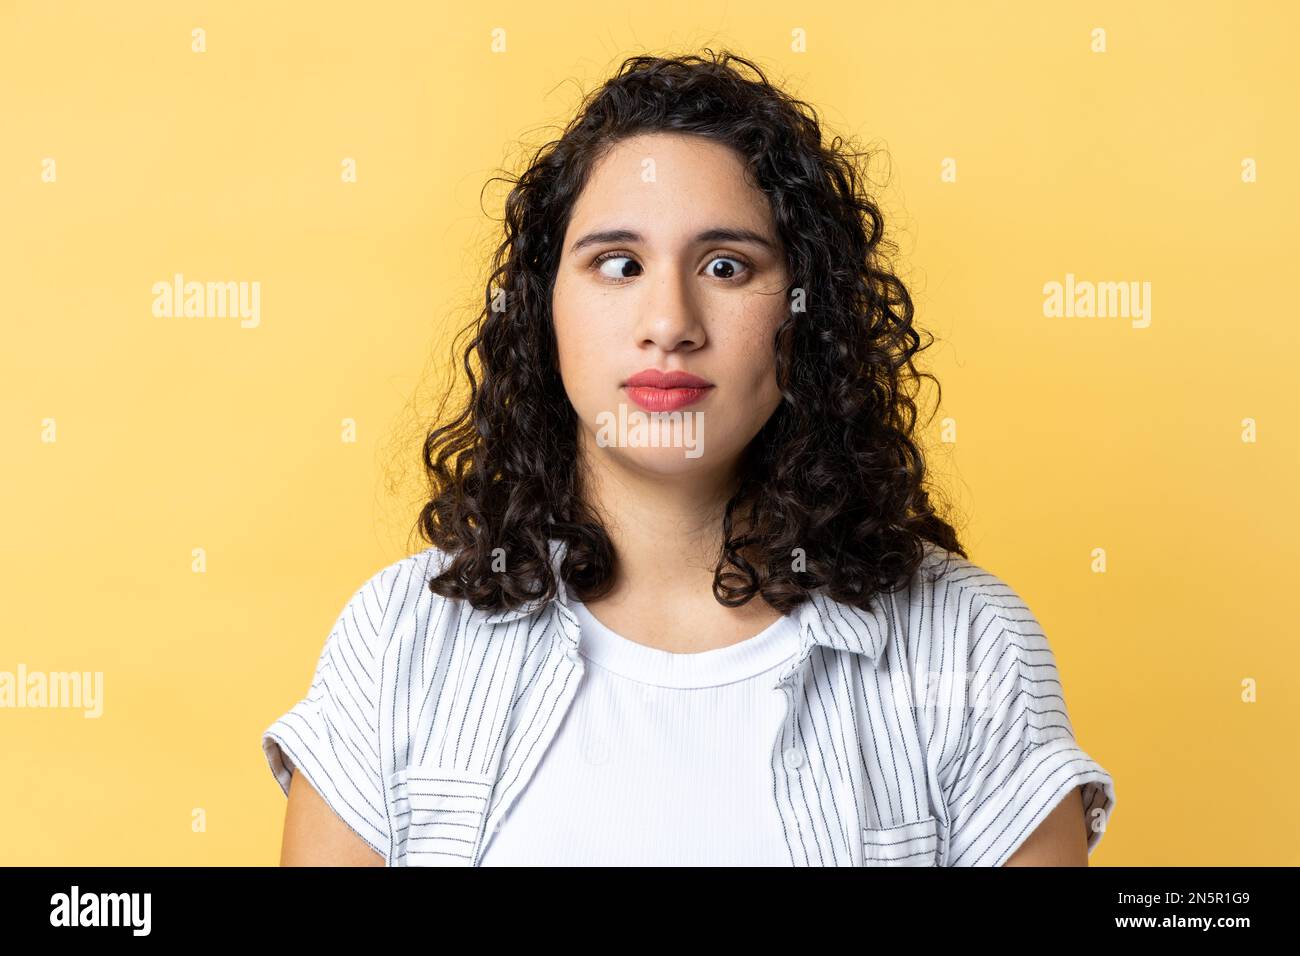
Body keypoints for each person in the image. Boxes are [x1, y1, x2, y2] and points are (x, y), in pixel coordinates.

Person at [262, 49, 1116, 867]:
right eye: (620, 263)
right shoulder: (400, 639)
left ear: (804, 309)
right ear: (542, 308)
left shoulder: (968, 644)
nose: (669, 321)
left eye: (725, 264)